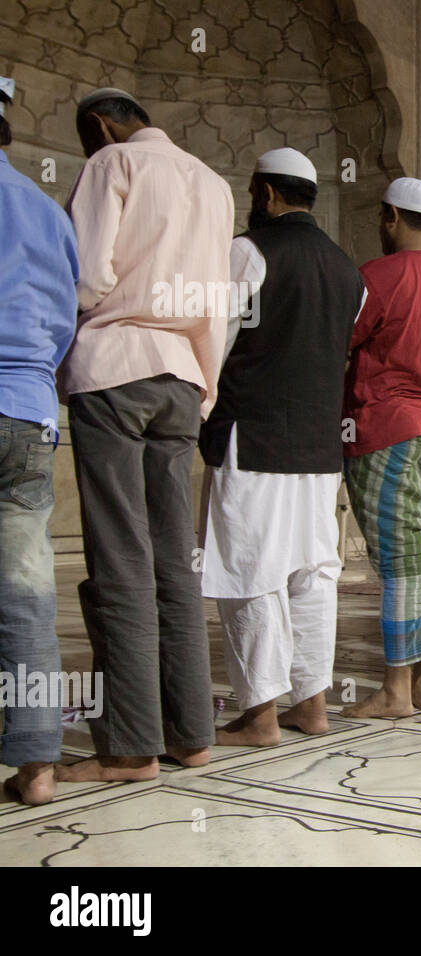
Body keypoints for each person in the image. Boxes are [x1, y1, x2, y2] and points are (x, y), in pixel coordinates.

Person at [58, 88, 234, 783]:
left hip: (115, 368)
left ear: (101, 127)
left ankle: (130, 748)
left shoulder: (113, 166)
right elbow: (216, 307)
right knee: (174, 562)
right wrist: (204, 387)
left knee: (120, 560)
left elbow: (87, 276)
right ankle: (190, 733)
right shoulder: (214, 184)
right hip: (182, 381)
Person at [199, 148, 365, 745]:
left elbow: (212, 344)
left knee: (252, 569)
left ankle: (261, 715)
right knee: (313, 575)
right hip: (320, 450)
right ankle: (312, 706)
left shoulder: (248, 252)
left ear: (266, 194)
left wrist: (199, 415)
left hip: (256, 438)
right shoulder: (350, 272)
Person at [341, 178, 421, 715]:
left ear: (391, 216)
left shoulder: (379, 275)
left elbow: (341, 341)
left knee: (398, 559)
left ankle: (395, 689)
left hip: (384, 425)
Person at [0, 76, 79, 804]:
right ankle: (37, 765)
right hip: (27, 413)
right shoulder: (46, 210)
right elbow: (65, 318)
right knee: (25, 590)